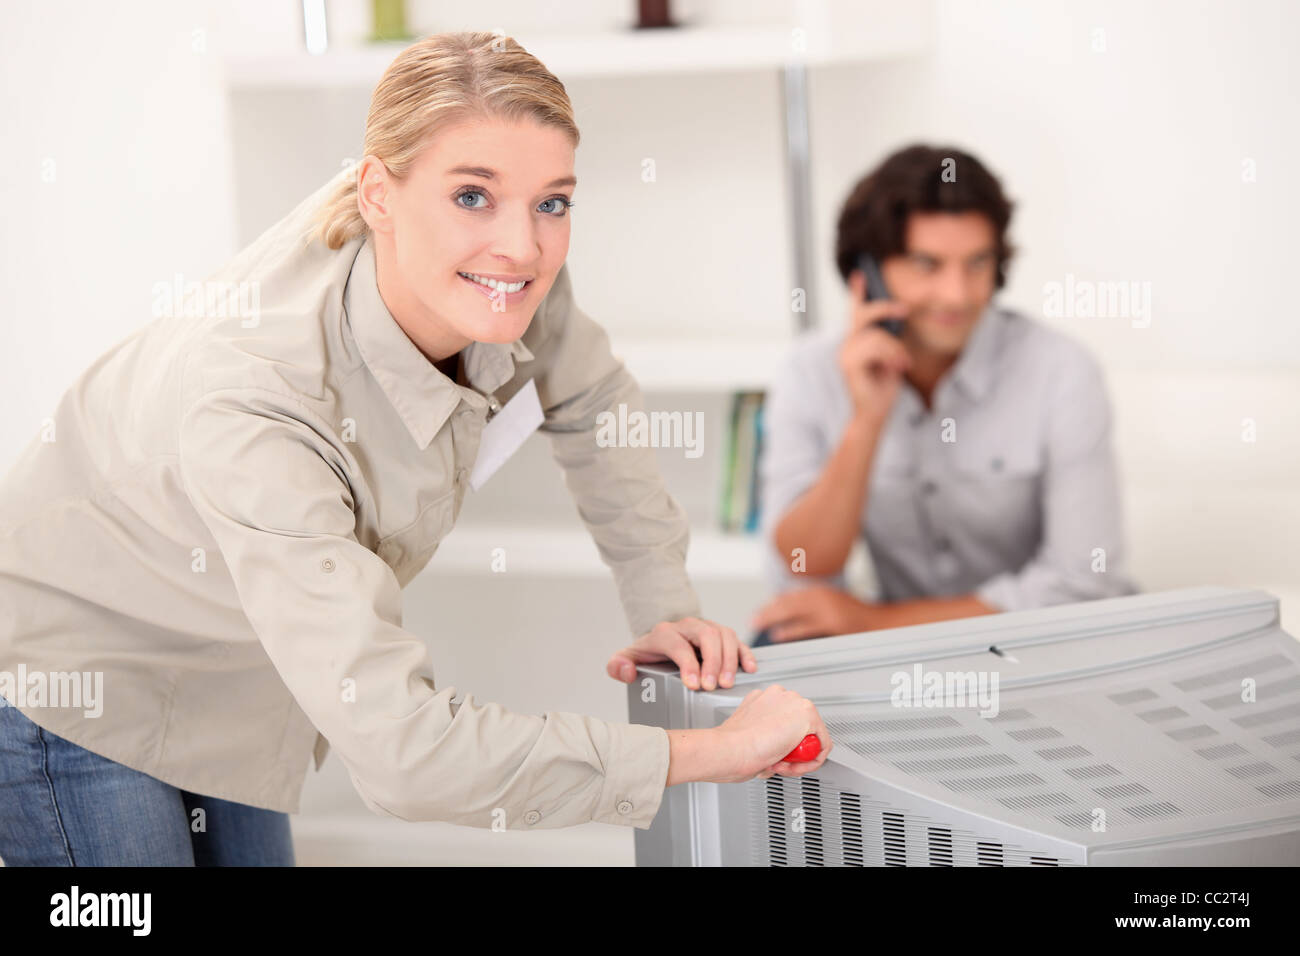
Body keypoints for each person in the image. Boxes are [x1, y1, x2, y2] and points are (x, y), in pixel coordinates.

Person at [0, 31, 830, 866]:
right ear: (377, 193)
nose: (523, 247)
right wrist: (710, 755)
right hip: (75, 666)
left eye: (554, 202)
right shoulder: (258, 405)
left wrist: (664, 604)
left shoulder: (496, 271)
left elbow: (590, 396)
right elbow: (405, 754)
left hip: (234, 662)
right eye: (473, 196)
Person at [751, 144, 1138, 646]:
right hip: (901, 659)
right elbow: (804, 567)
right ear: (866, 274)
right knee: (774, 640)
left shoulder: (1061, 371)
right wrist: (865, 422)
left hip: (1044, 645)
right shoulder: (810, 371)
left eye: (977, 263)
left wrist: (873, 624)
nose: (957, 295)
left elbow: (1084, 585)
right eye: (926, 265)